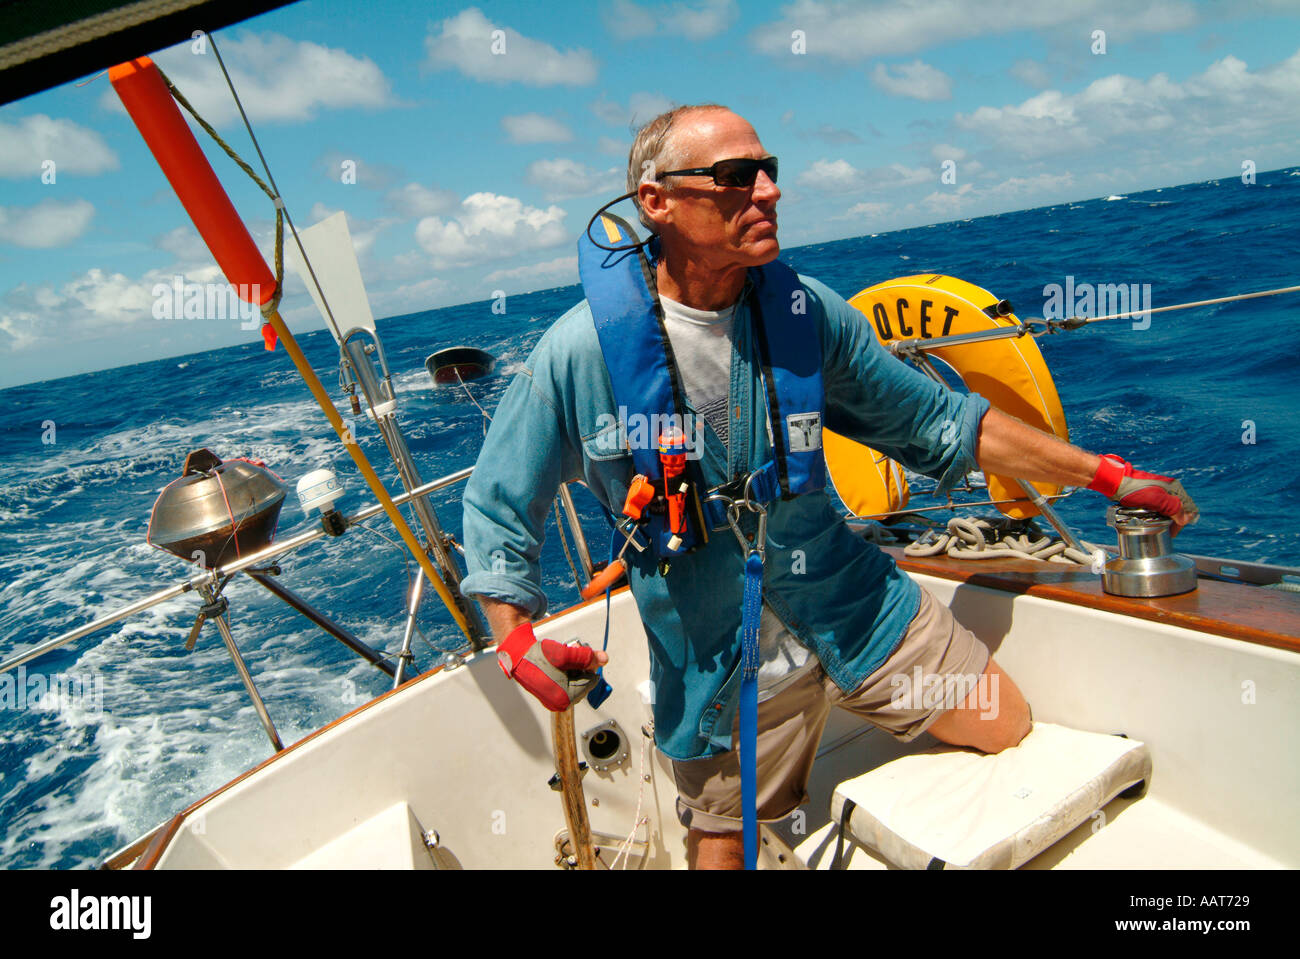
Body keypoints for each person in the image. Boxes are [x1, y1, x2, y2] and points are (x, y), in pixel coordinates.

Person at [460, 104, 1197, 870]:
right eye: (736, 176)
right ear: (658, 201)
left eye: (770, 171)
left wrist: (1109, 475)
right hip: (720, 673)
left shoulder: (804, 313)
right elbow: (498, 502)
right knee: (722, 854)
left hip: (856, 612)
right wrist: (515, 638)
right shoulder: (579, 355)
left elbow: (943, 422)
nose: (769, 191)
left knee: (1006, 724)